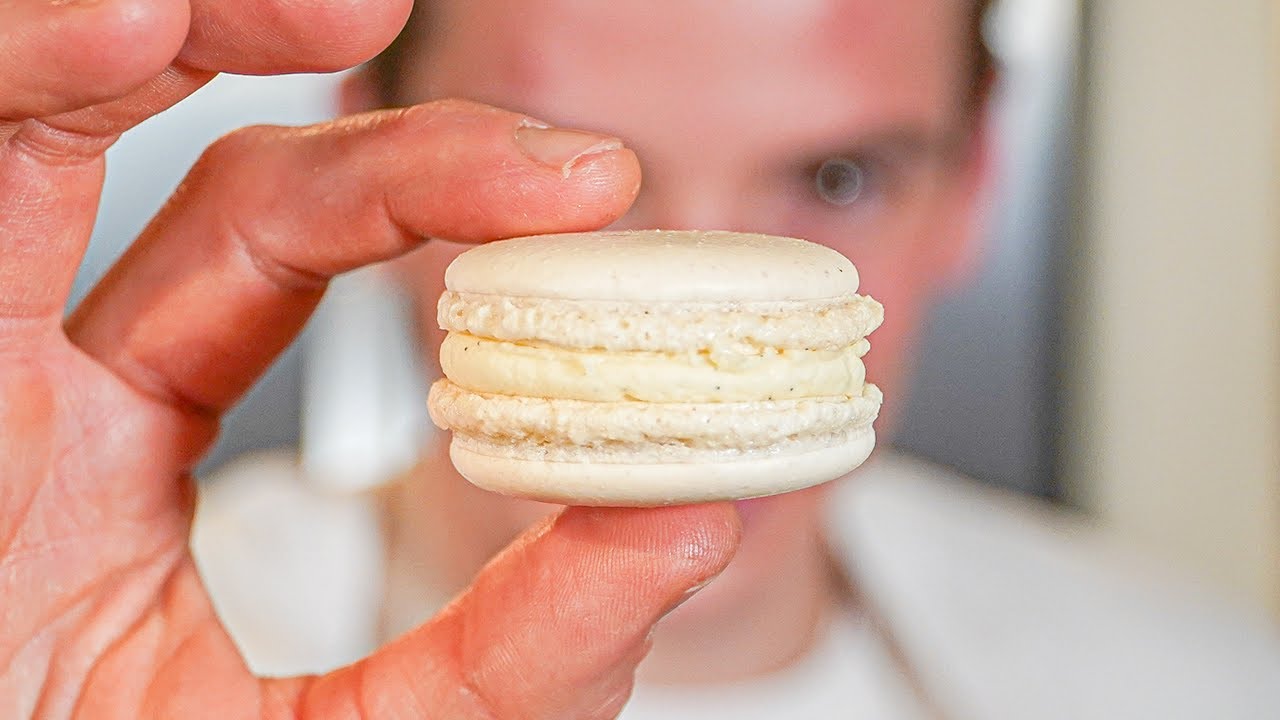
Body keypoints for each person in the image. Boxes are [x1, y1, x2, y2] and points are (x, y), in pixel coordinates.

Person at [2, 2, 1277, 720]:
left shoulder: (1207, 685)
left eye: (837, 176)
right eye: (567, 163)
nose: (689, 260)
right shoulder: (58, 653)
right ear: (371, 148)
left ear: (973, 184)